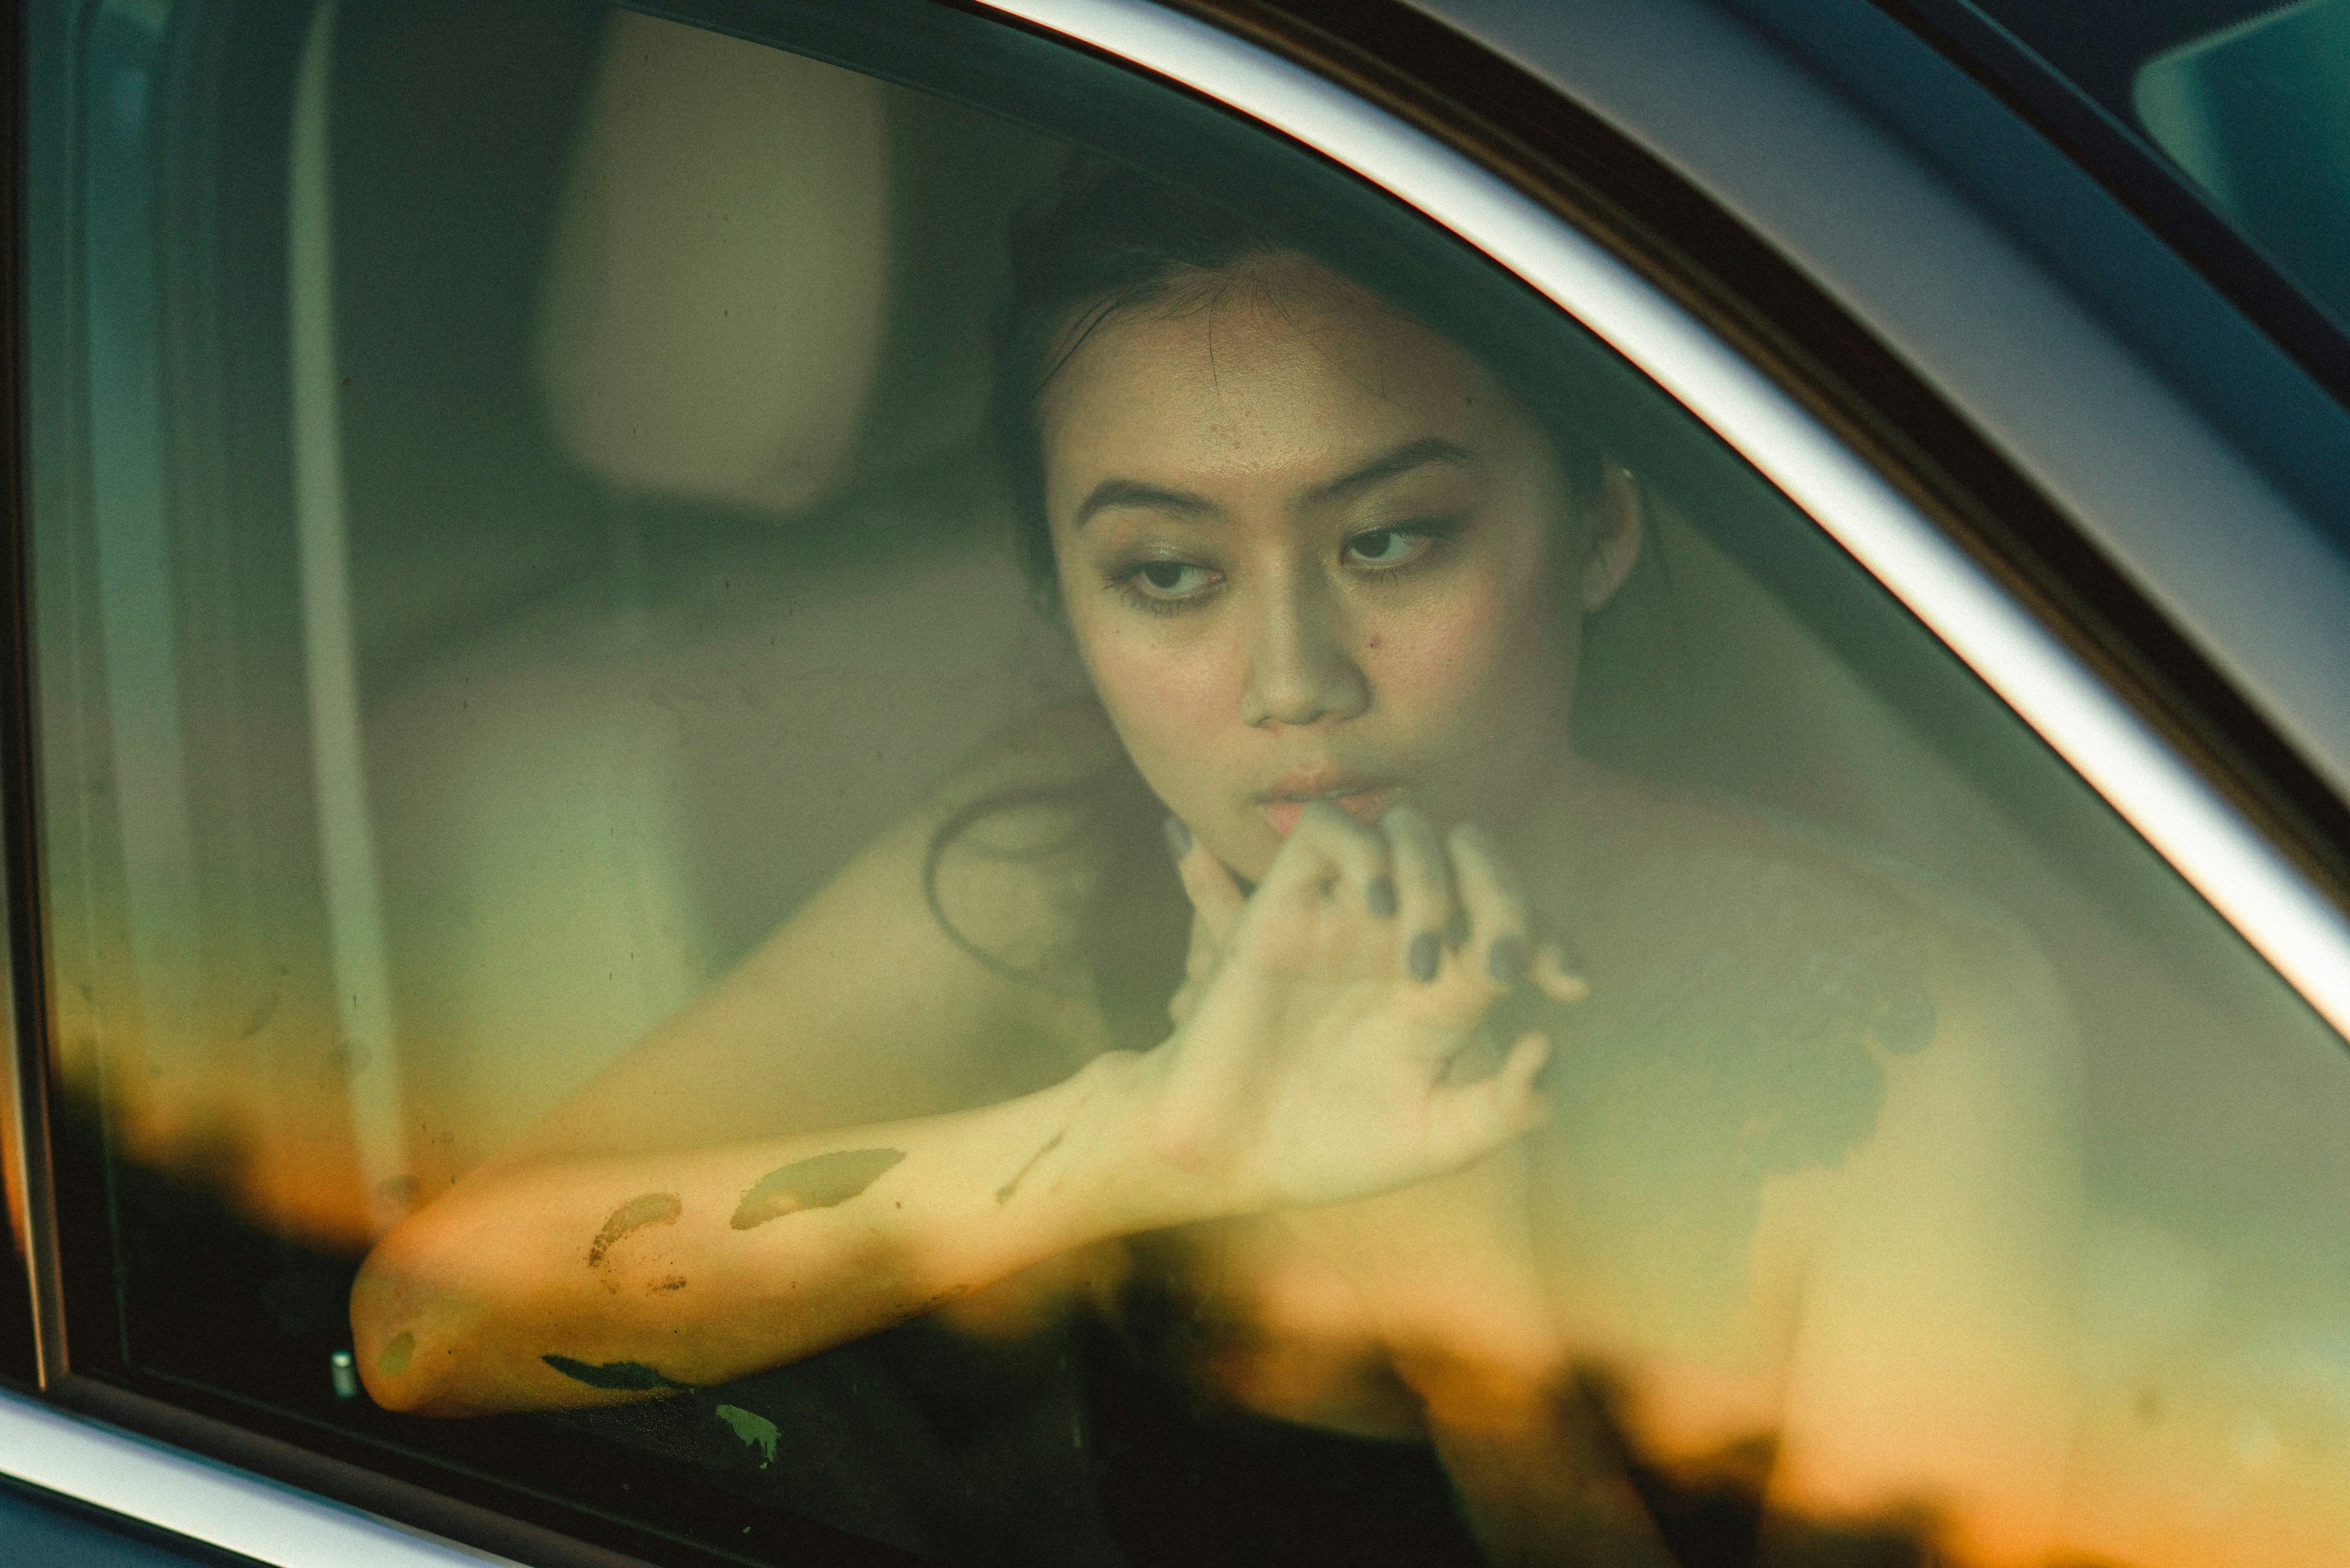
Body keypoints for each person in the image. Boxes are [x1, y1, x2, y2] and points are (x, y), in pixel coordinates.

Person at [351, 162, 2078, 1567]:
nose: (1292, 679)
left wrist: (1471, 1331)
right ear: (1063, 603)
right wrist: (1150, 1136)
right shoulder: (1065, 854)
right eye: (1170, 574)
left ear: (1600, 522)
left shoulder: (1907, 1041)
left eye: (1392, 539)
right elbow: (430, 1332)